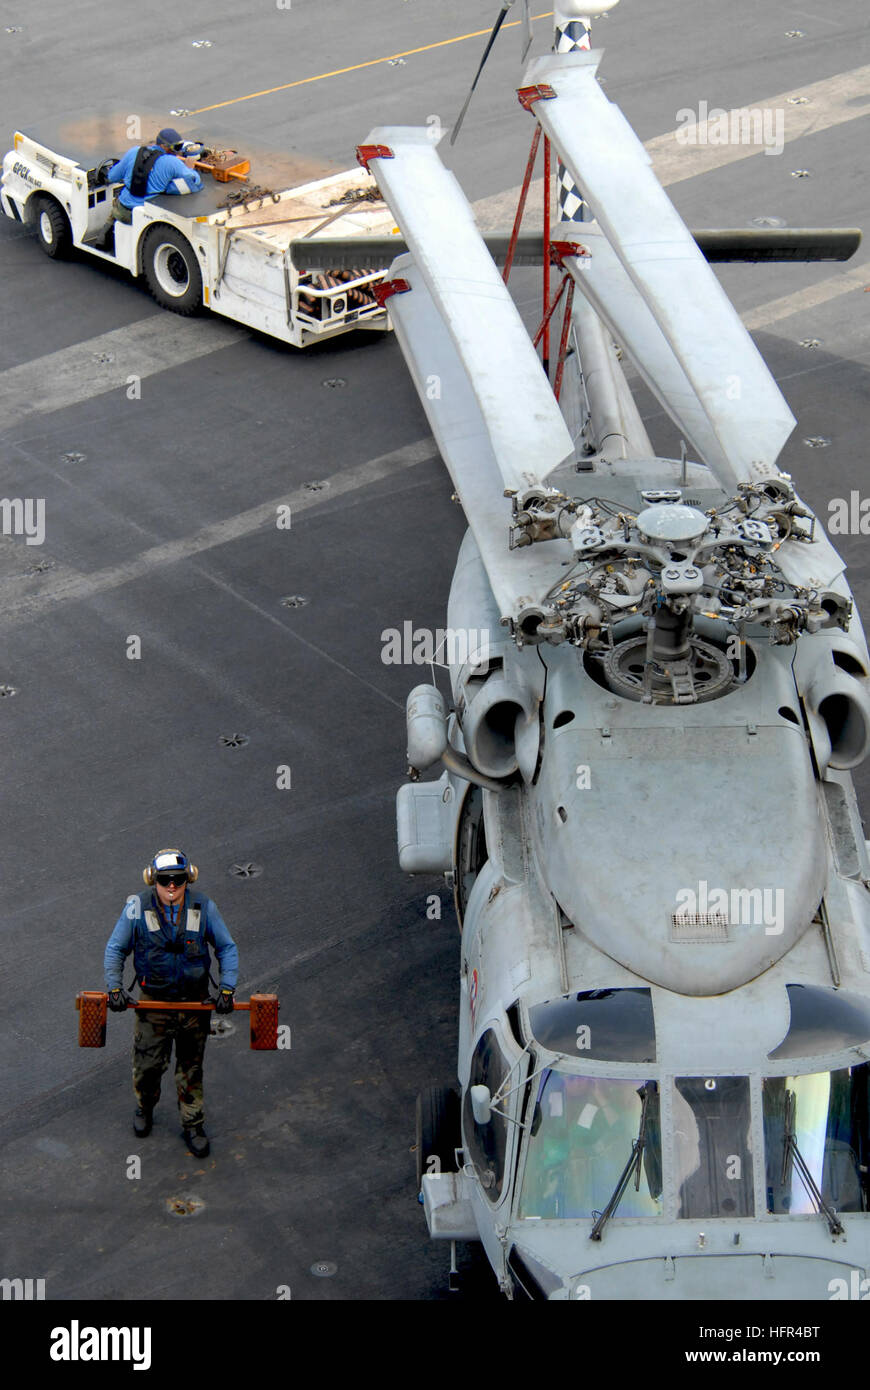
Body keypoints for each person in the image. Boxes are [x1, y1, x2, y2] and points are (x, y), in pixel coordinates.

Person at [104, 848, 239, 1158]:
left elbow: (227, 948)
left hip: (195, 1006)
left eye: (178, 881)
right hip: (153, 1006)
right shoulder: (137, 908)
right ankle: (145, 1105)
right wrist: (114, 987)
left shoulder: (204, 907)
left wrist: (227, 988)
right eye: (165, 881)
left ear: (187, 879)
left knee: (191, 1068)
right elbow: (115, 948)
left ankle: (193, 1123)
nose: (172, 887)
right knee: (148, 1065)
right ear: (154, 881)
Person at [107, 128, 203, 225]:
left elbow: (112, 176)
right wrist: (190, 168)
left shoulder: (134, 152)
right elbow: (195, 181)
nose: (177, 152)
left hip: (123, 211)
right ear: (163, 146)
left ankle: (105, 234)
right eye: (176, 147)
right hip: (146, 215)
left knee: (113, 214)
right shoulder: (172, 162)